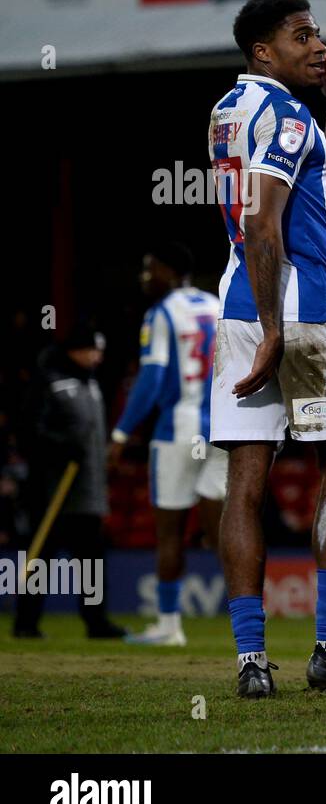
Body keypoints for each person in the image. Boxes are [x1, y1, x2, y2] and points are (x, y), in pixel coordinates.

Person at [206, 0, 326, 698]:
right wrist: (278, 329)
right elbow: (263, 223)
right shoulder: (282, 115)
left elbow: (319, 193)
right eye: (302, 35)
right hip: (303, 309)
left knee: (245, 483)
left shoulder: (230, 111)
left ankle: (252, 663)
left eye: (319, 33)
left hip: (237, 305)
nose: (320, 46)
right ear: (263, 50)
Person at [109, 244, 226, 646]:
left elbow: (152, 379)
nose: (145, 275)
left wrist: (121, 433)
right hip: (221, 429)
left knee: (170, 533)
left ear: (170, 271)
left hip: (178, 429)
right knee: (225, 533)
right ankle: (248, 624)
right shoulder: (216, 304)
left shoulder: (160, 314)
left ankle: (169, 626)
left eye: (150, 267)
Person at [14, 325, 124, 639]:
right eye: (93, 350)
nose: (98, 358)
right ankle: (26, 623)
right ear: (74, 351)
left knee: (91, 563)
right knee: (40, 560)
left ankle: (96, 623)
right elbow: (29, 432)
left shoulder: (91, 383)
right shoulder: (47, 381)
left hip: (86, 491)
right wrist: (60, 446)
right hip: (52, 492)